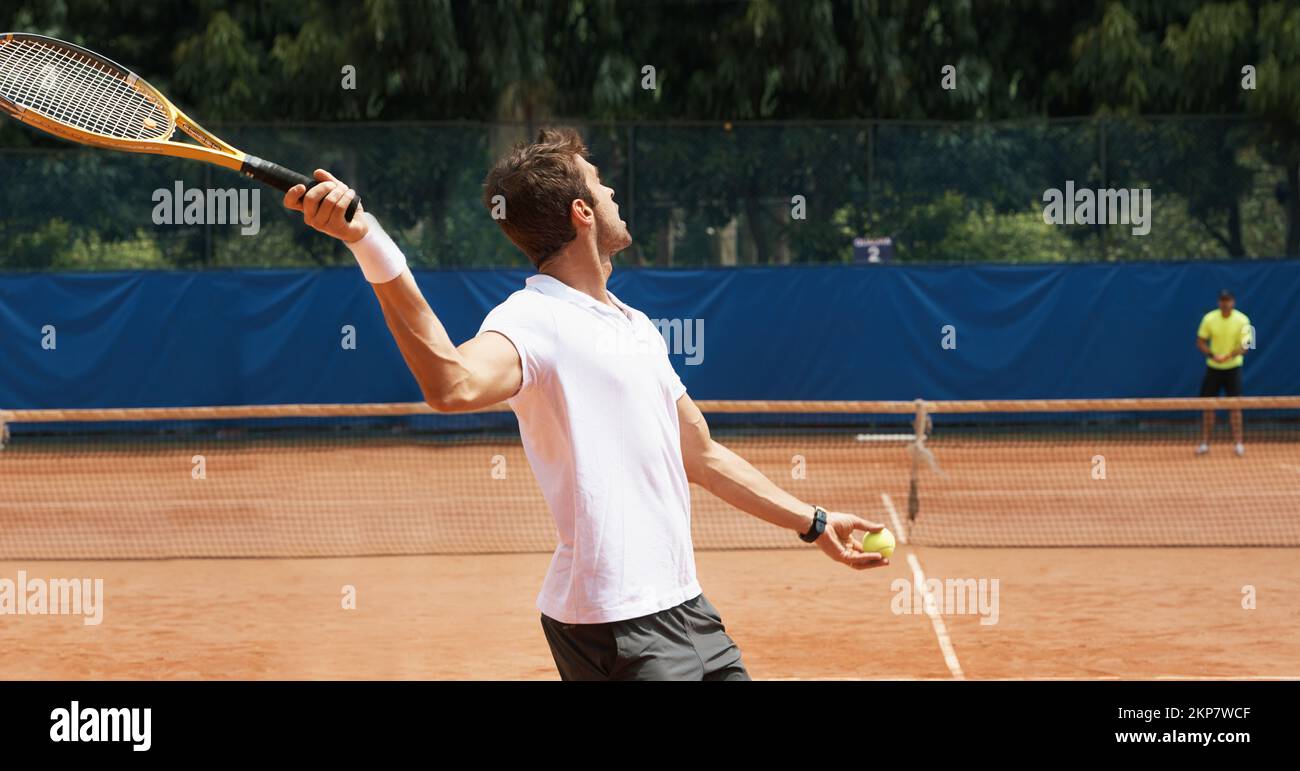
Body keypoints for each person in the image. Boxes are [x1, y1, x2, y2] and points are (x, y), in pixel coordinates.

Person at [282, 128, 889, 681]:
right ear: (582, 214)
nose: (613, 191)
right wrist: (371, 242)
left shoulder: (635, 326)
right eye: (601, 185)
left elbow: (701, 454)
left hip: (687, 607)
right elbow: (453, 384)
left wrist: (812, 522)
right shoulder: (532, 318)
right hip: (613, 624)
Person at [1195, 289, 1252, 457]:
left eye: (1228, 300)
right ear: (1218, 302)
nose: (1225, 303)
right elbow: (1200, 341)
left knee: (1235, 407)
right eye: (1222, 300)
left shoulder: (1243, 320)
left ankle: (1238, 443)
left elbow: (1248, 345)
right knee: (1208, 407)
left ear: (1233, 302)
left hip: (1233, 369)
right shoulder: (1209, 318)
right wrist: (1213, 355)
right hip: (1213, 368)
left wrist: (1229, 356)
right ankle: (1205, 443)